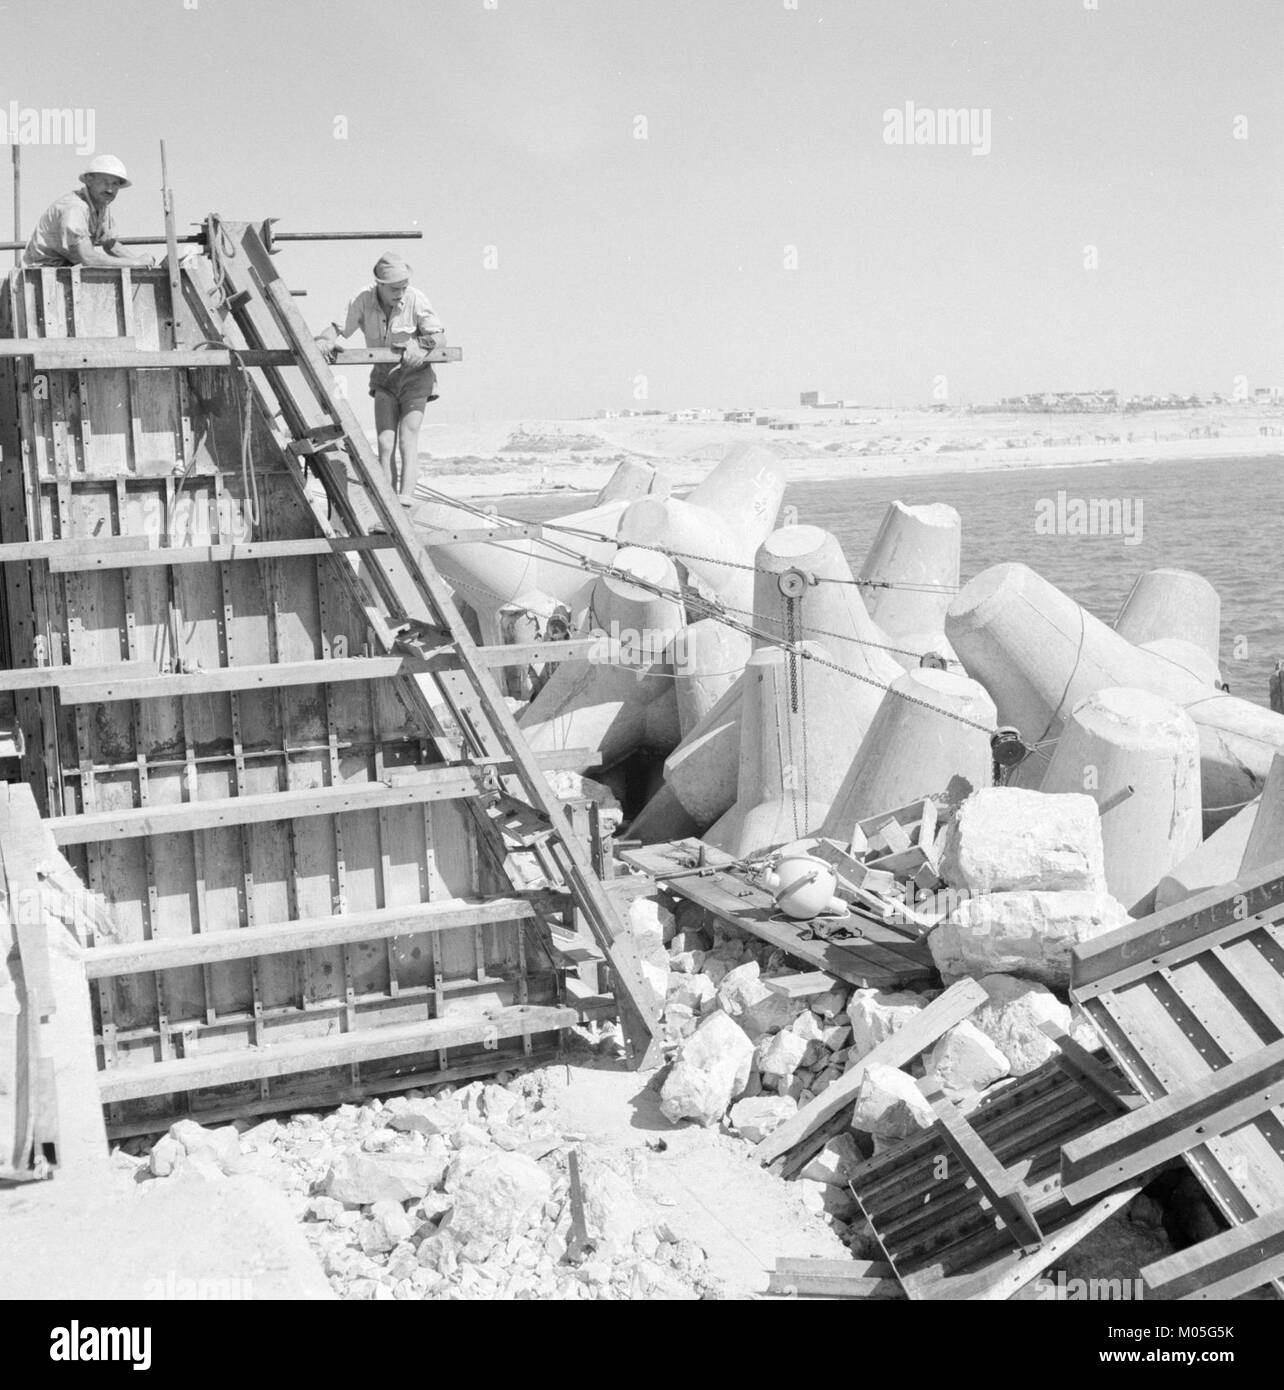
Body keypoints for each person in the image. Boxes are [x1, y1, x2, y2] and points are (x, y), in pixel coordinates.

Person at [315, 253, 444, 505]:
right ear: (380, 285)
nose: (400, 293)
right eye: (395, 289)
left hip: (416, 378)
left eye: (403, 287)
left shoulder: (416, 299)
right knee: (385, 443)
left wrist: (420, 344)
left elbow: (440, 337)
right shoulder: (362, 299)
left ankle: (404, 501)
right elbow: (338, 328)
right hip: (384, 378)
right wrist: (325, 339)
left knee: (408, 439)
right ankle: (388, 503)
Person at [23, 155, 155, 269]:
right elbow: (87, 258)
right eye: (104, 182)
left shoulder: (101, 205)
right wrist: (135, 263)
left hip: (62, 270)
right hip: (38, 274)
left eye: (115, 184)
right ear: (89, 181)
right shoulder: (75, 208)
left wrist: (143, 264)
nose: (110, 189)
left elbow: (110, 244)